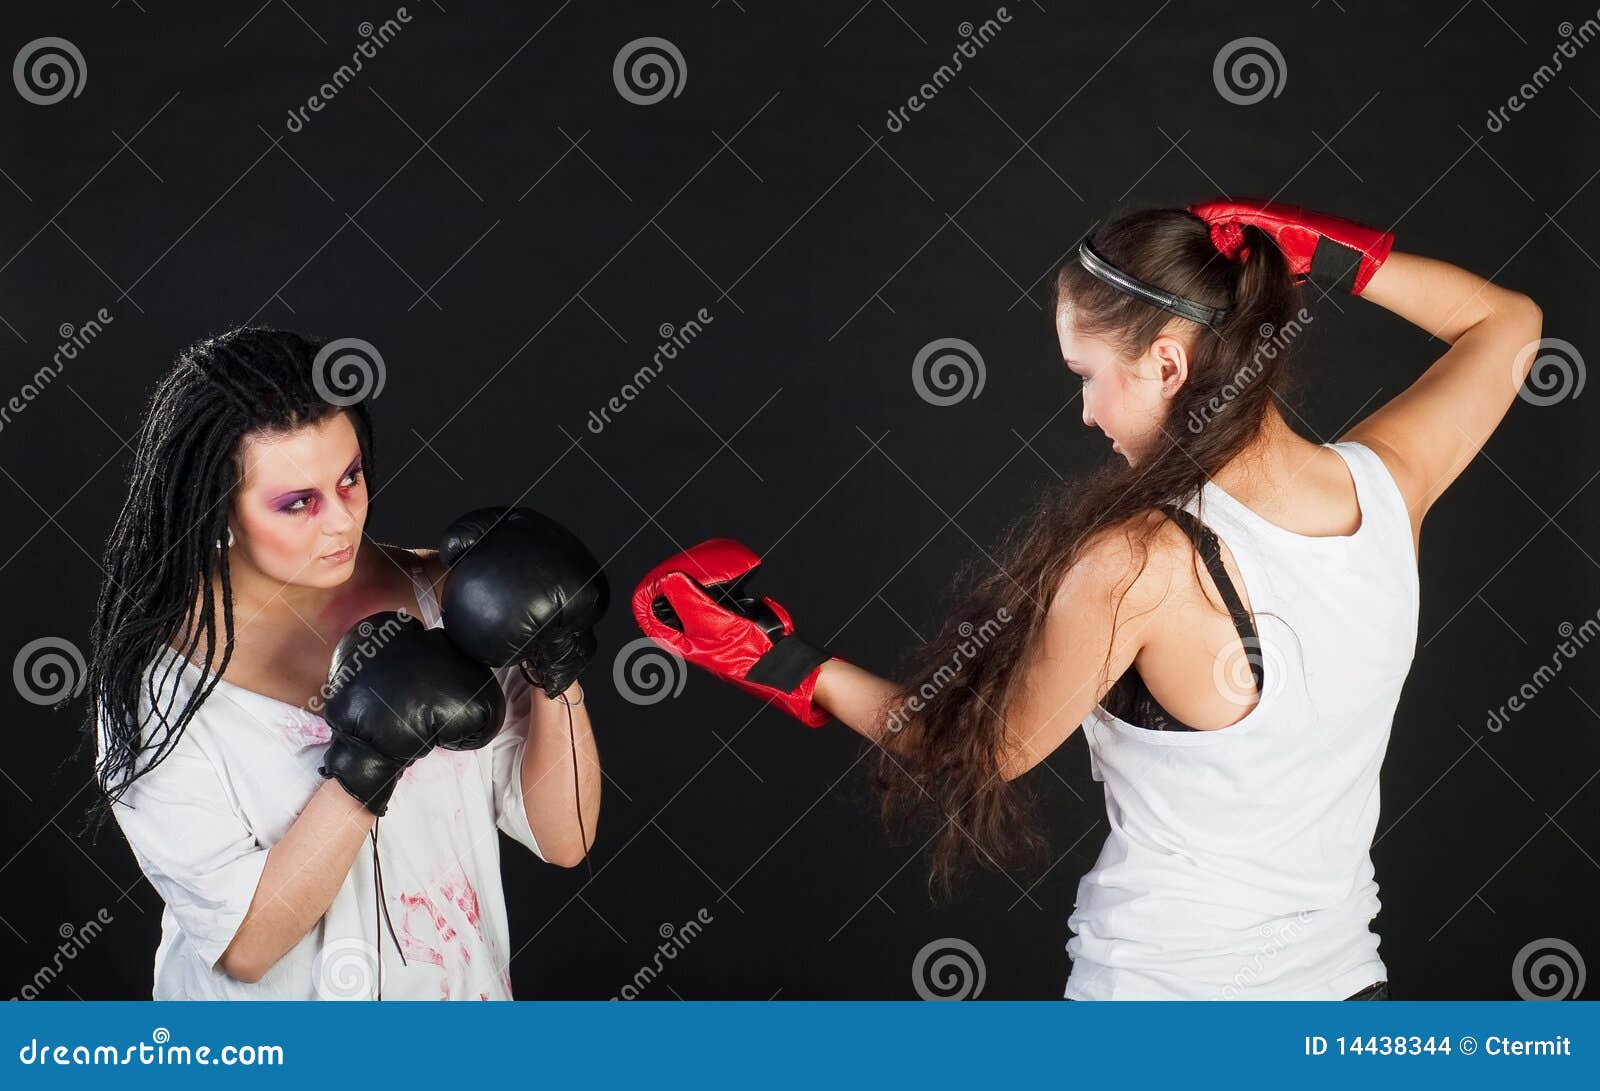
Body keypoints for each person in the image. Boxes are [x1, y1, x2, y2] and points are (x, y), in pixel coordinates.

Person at [632, 199, 1544, 1000]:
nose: (1086, 413)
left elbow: (972, 756)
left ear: (1168, 363)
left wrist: (782, 662)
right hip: (1344, 996)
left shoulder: (1139, 565)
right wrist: (1334, 255)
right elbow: (1508, 324)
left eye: (1086, 374)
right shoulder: (1387, 487)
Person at [80, 326, 607, 1000]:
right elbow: (245, 946)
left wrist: (555, 667)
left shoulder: (442, 593)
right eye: (298, 502)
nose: (342, 521)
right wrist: (365, 766)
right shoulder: (160, 690)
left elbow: (567, 837)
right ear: (218, 511)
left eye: (350, 477)